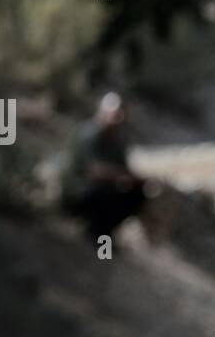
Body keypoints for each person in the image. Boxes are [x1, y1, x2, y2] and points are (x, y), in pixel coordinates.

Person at [61, 92, 152, 239]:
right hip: (79, 189)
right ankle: (88, 225)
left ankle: (101, 231)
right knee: (103, 191)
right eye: (114, 114)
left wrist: (136, 180)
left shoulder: (116, 141)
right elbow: (94, 170)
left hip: (101, 189)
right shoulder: (88, 134)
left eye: (120, 115)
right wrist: (121, 176)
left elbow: (123, 168)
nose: (117, 119)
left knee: (137, 193)